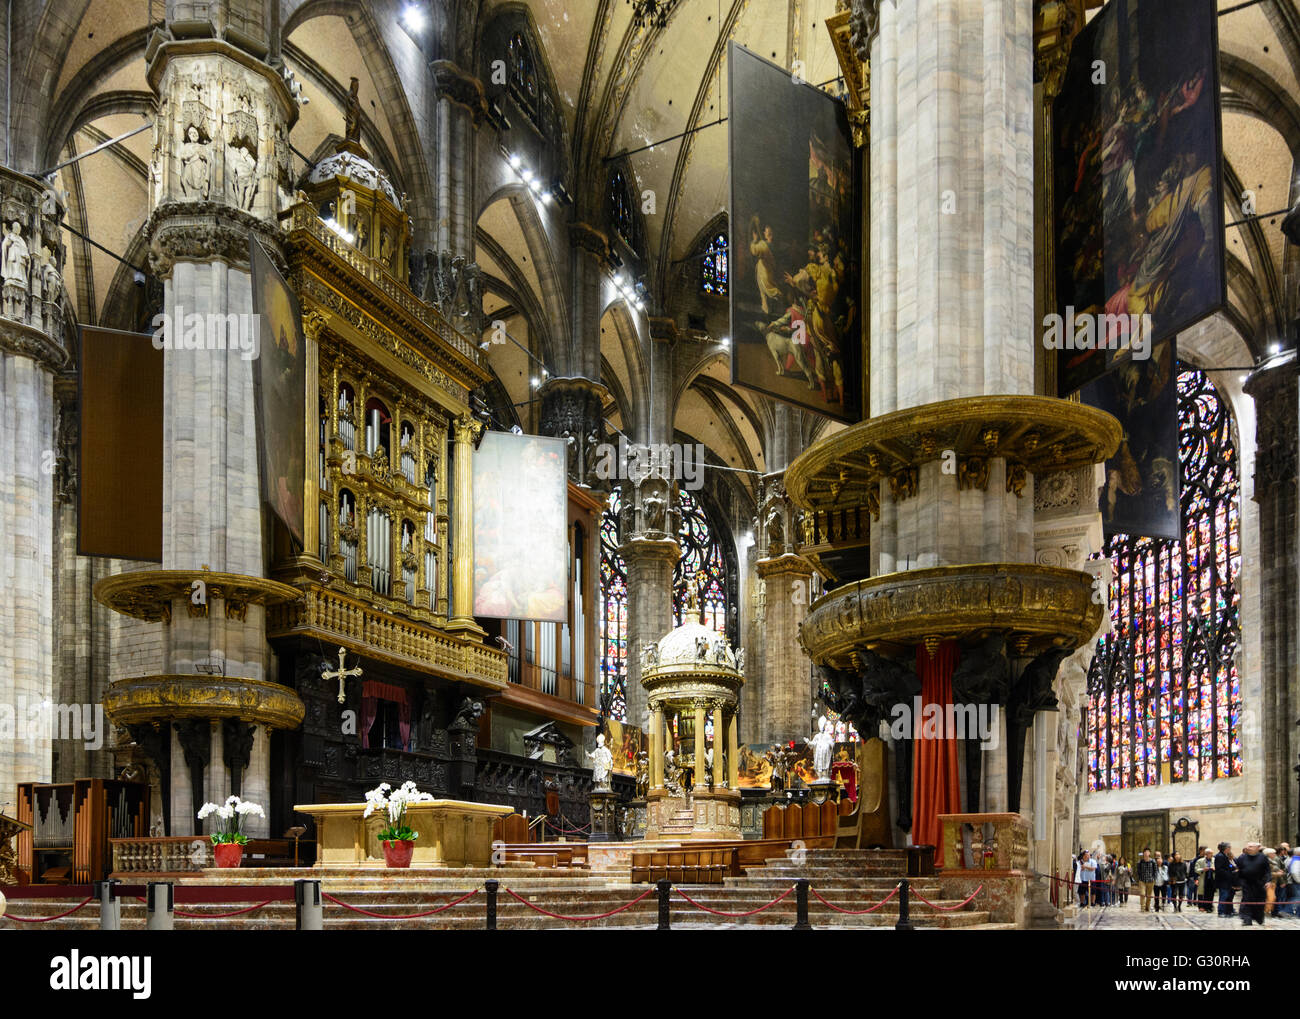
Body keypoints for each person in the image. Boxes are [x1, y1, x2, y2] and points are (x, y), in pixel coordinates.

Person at [1235, 841, 1270, 927]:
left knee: (1259, 901)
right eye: (1247, 846)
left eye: (1250, 846)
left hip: (1259, 883)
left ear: (1257, 848)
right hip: (1247, 883)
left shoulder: (1263, 858)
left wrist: (1268, 881)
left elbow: (1267, 871)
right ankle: (1247, 919)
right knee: (1247, 901)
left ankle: (1259, 918)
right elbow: (1237, 870)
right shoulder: (1242, 858)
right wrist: (1237, 882)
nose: (1248, 848)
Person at [1214, 841, 1237, 917]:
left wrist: (1234, 868)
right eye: (1229, 847)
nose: (1230, 849)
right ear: (1226, 848)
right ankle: (1221, 912)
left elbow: (1228, 865)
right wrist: (1230, 874)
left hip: (1226, 880)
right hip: (1222, 880)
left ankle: (1225, 911)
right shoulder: (1220, 856)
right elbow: (1219, 869)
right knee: (1223, 896)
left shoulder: (1224, 856)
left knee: (1226, 895)